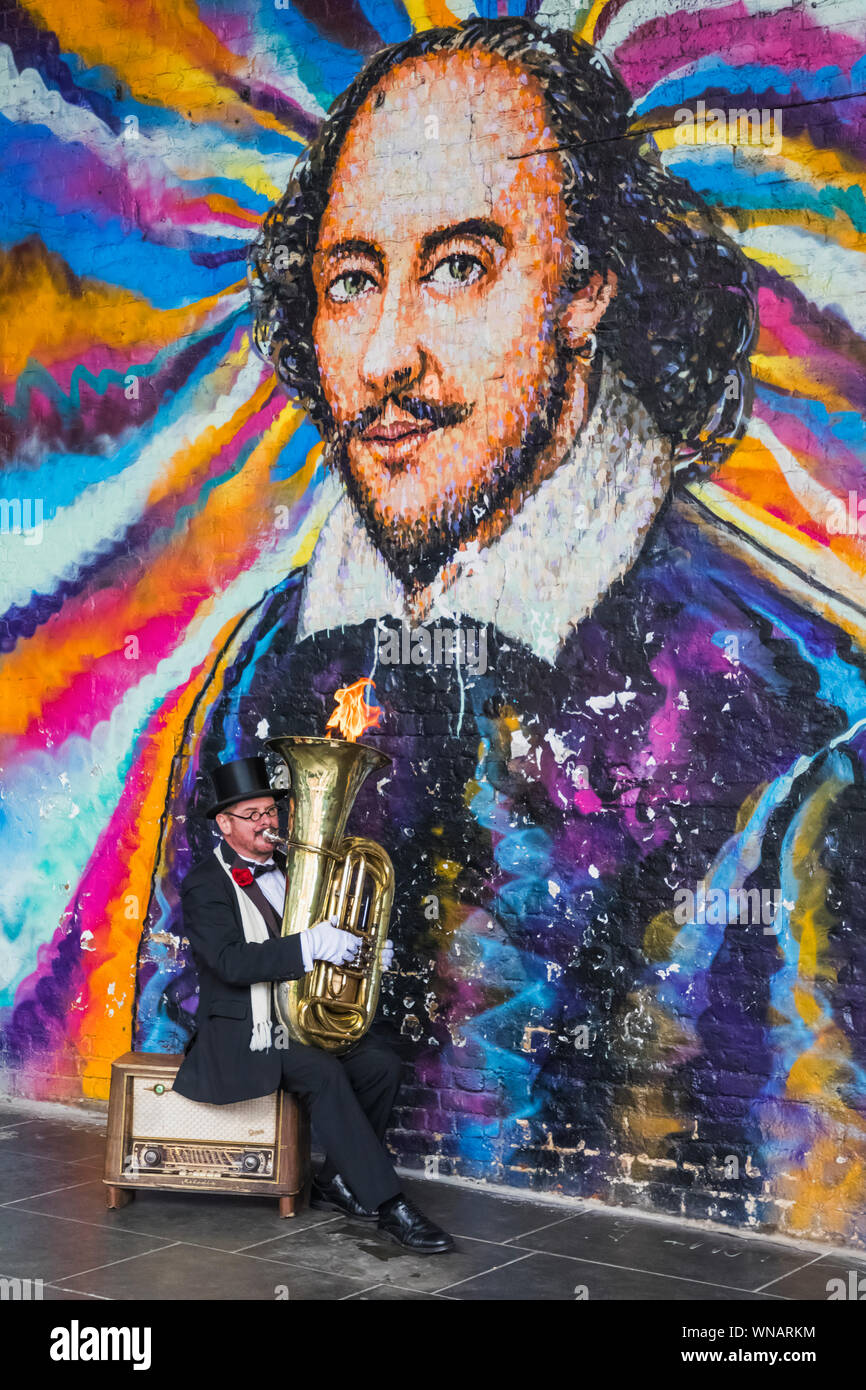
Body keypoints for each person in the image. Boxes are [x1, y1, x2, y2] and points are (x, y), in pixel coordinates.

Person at [136, 16, 866, 1221]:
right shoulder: (264, 672)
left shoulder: (798, 726)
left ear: (584, 289)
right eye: (351, 279)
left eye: (459, 266)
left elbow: (807, 1213)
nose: (382, 354)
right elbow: (193, 1055)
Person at [172, 754, 454, 1254]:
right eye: (252, 814)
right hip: (245, 1033)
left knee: (381, 1065)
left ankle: (339, 1183)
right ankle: (391, 1207)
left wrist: (362, 954)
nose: (266, 822)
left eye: (270, 812)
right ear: (223, 824)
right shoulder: (204, 885)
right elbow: (231, 963)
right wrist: (311, 946)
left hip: (299, 1018)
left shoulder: (294, 869)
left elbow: (328, 937)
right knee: (323, 1072)